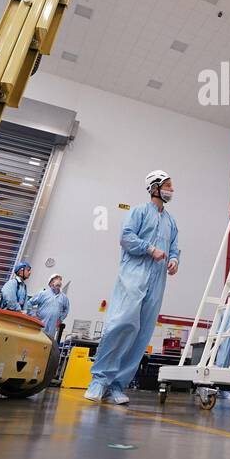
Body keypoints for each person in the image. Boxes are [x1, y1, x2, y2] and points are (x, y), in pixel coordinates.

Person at [85, 170, 179, 404]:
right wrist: (149, 249)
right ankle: (99, 381)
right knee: (121, 324)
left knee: (142, 333)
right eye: (167, 185)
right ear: (154, 187)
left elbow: (175, 246)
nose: (172, 189)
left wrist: (175, 260)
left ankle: (117, 386)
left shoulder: (170, 221)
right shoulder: (138, 212)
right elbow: (126, 237)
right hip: (133, 276)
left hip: (157, 282)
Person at [28, 273, 70, 343]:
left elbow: (66, 309)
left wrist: (60, 319)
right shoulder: (43, 294)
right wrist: (33, 315)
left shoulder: (64, 298)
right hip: (40, 324)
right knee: (36, 342)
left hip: (52, 327)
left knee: (48, 343)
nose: (58, 281)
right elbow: (29, 303)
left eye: (60, 280)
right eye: (56, 279)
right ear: (50, 283)